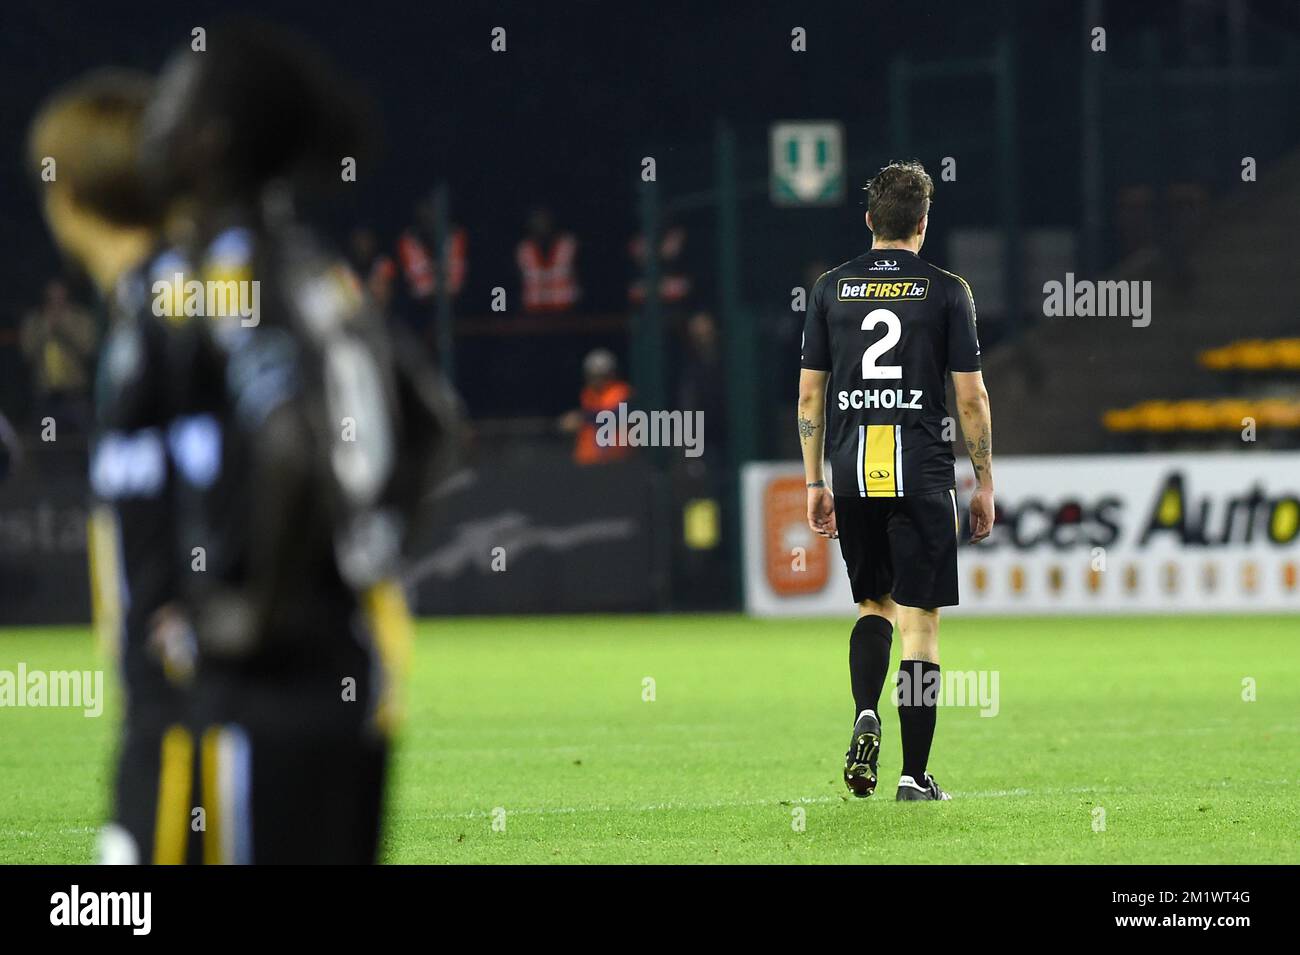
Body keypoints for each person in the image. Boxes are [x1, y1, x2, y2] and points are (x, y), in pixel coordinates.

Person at [142, 19, 458, 862]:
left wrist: (257, 614)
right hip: (348, 684)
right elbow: (433, 424)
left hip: (265, 695)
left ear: (211, 141)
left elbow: (290, 443)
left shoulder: (226, 275)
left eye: (171, 99)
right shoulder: (322, 274)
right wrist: (371, 549)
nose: (152, 118)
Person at [28, 67, 192, 863]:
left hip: (198, 718)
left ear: (71, 202)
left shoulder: (181, 310)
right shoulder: (155, 306)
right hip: (179, 711)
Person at [797, 160, 994, 802]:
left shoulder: (829, 288)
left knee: (872, 606)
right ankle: (913, 774)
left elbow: (809, 396)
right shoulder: (947, 290)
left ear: (868, 222)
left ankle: (865, 710)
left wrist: (812, 482)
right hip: (922, 470)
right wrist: (984, 480)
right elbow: (971, 397)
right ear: (923, 222)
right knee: (922, 627)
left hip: (855, 469)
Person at [21, 279, 98, 430]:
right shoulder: (36, 321)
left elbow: (89, 349)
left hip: (75, 393)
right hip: (46, 394)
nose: (56, 299)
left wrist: (64, 329)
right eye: (52, 295)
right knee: (48, 440)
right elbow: (27, 353)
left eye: (60, 294)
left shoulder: (80, 319)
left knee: (81, 439)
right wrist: (46, 330)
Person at [559, 348, 631, 465]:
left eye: (601, 375)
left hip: (616, 461)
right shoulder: (588, 394)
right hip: (588, 461)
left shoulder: (621, 392)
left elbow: (615, 416)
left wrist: (582, 418)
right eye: (592, 375)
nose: (596, 380)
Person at [516, 207, 579, 314]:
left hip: (567, 312)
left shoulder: (568, 246)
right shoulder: (523, 250)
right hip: (532, 313)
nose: (541, 225)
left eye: (544, 221)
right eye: (537, 221)